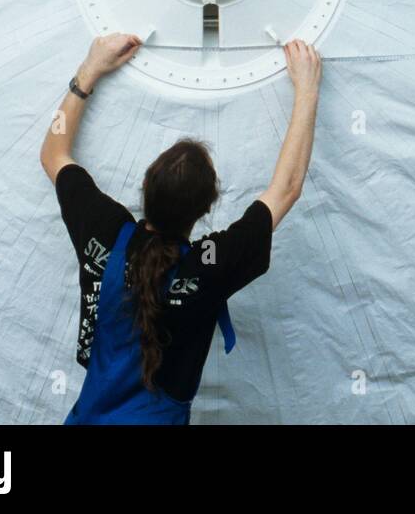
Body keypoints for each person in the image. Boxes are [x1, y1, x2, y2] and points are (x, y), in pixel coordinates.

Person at [40, 35, 323, 421]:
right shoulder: (209, 263)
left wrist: (90, 69)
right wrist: (306, 89)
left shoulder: (104, 230)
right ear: (207, 207)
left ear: (144, 187)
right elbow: (286, 188)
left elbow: (53, 153)